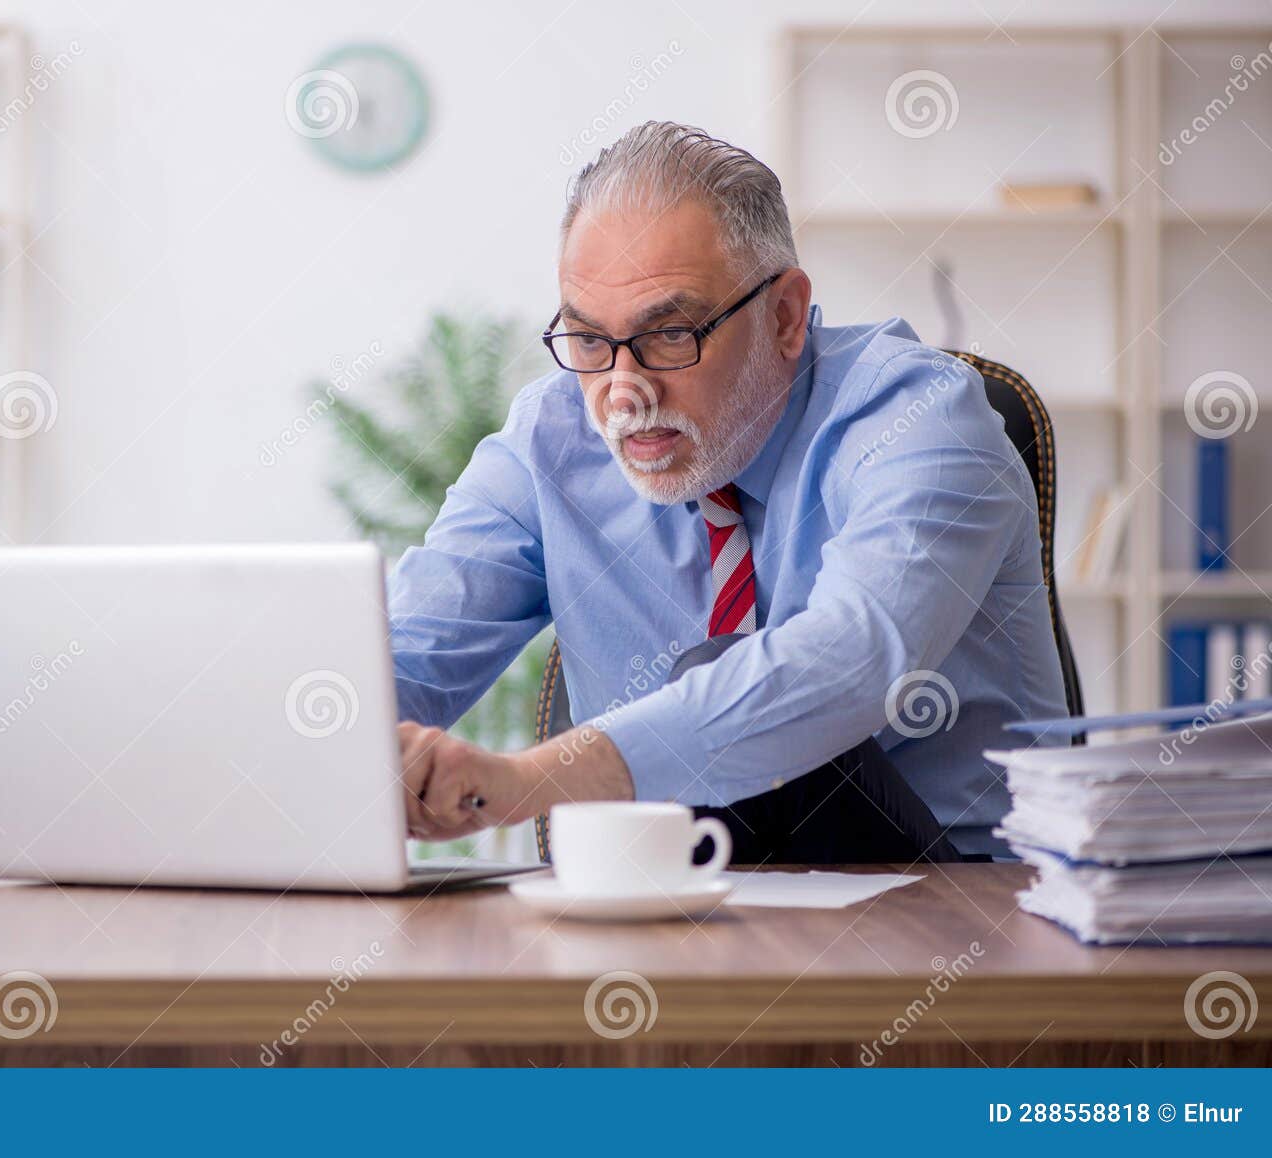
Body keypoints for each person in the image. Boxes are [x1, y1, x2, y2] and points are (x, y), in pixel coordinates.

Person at [388, 121, 1066, 864]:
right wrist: (336, 736)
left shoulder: (921, 417)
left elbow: (848, 662)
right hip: (661, 908)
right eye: (587, 341)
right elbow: (407, 652)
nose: (623, 393)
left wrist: (525, 781)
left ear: (781, 317)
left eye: (670, 335)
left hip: (948, 906)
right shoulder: (549, 441)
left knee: (721, 674)